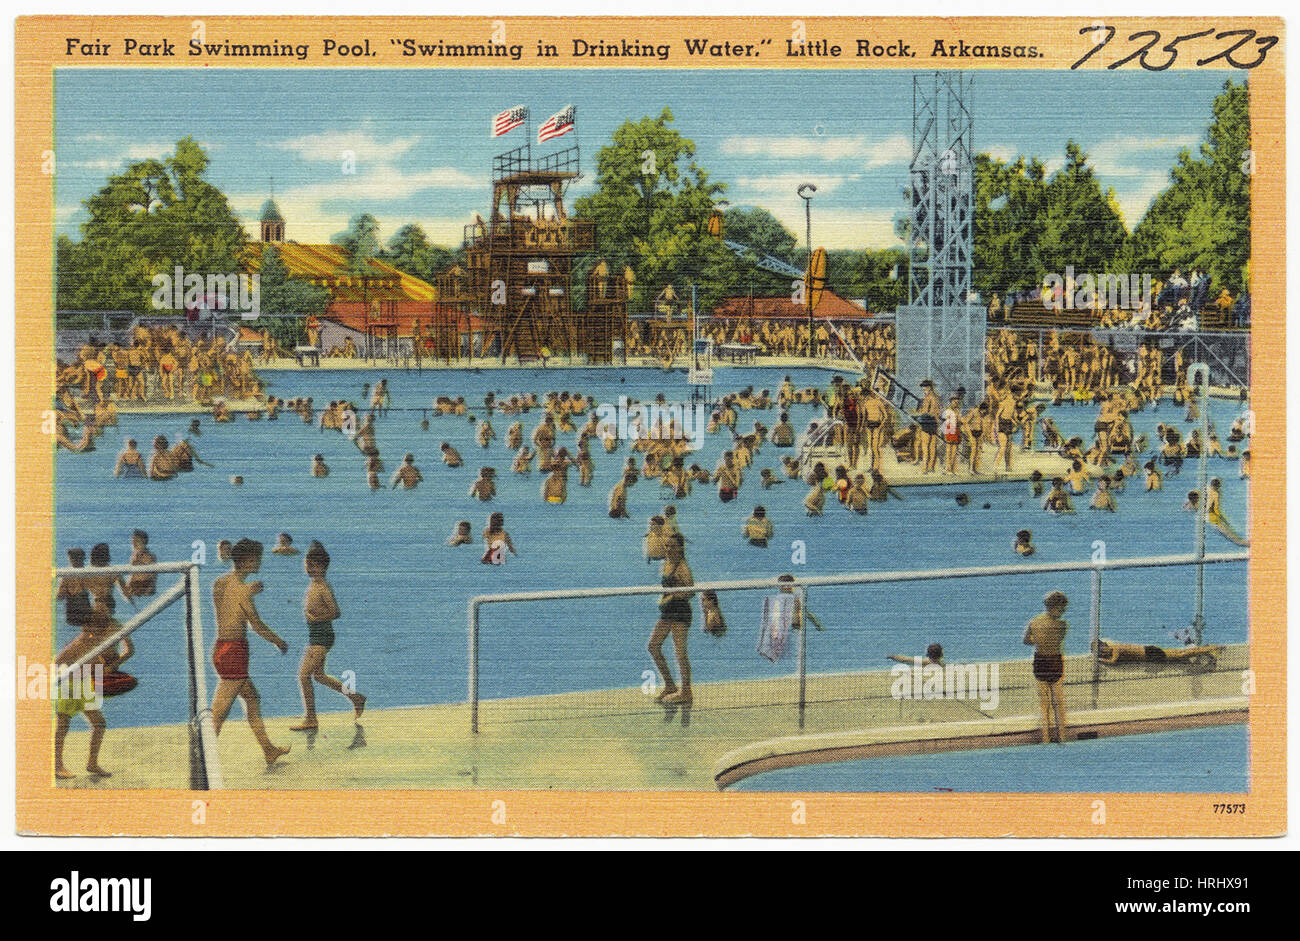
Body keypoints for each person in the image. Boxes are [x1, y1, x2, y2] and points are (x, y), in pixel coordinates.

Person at [209, 539, 291, 767]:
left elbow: (228, 603)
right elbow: (256, 625)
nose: (260, 562)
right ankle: (204, 756)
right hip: (235, 651)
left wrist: (247, 590)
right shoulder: (243, 591)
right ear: (248, 561)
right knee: (219, 712)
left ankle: (268, 749)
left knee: (252, 698)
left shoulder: (220, 583)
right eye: (257, 558)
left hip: (220, 649)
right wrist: (278, 641)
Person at [290, 541, 365, 731]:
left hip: (322, 635)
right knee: (319, 675)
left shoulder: (322, 587)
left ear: (320, 567)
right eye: (306, 565)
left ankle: (311, 718)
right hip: (316, 635)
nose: (307, 568)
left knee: (303, 675)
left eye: (310, 565)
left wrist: (315, 617)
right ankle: (355, 697)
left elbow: (335, 612)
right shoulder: (314, 585)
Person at [648, 533, 693, 706]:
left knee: (680, 653)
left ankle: (686, 692)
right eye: (667, 546)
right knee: (653, 646)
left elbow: (690, 592)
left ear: (680, 547)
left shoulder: (682, 567)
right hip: (668, 612)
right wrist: (664, 598)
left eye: (673, 546)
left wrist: (670, 597)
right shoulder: (666, 563)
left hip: (680, 612)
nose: (669, 549)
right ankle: (669, 685)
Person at [1024, 590, 1069, 744]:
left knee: (1044, 705)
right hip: (1055, 661)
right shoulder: (1062, 625)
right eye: (1062, 609)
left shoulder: (1034, 622)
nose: (1063, 613)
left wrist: (1038, 640)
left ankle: (1045, 738)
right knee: (1058, 703)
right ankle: (1061, 736)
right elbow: (1057, 641)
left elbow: (1027, 641)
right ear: (1055, 607)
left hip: (1041, 661)